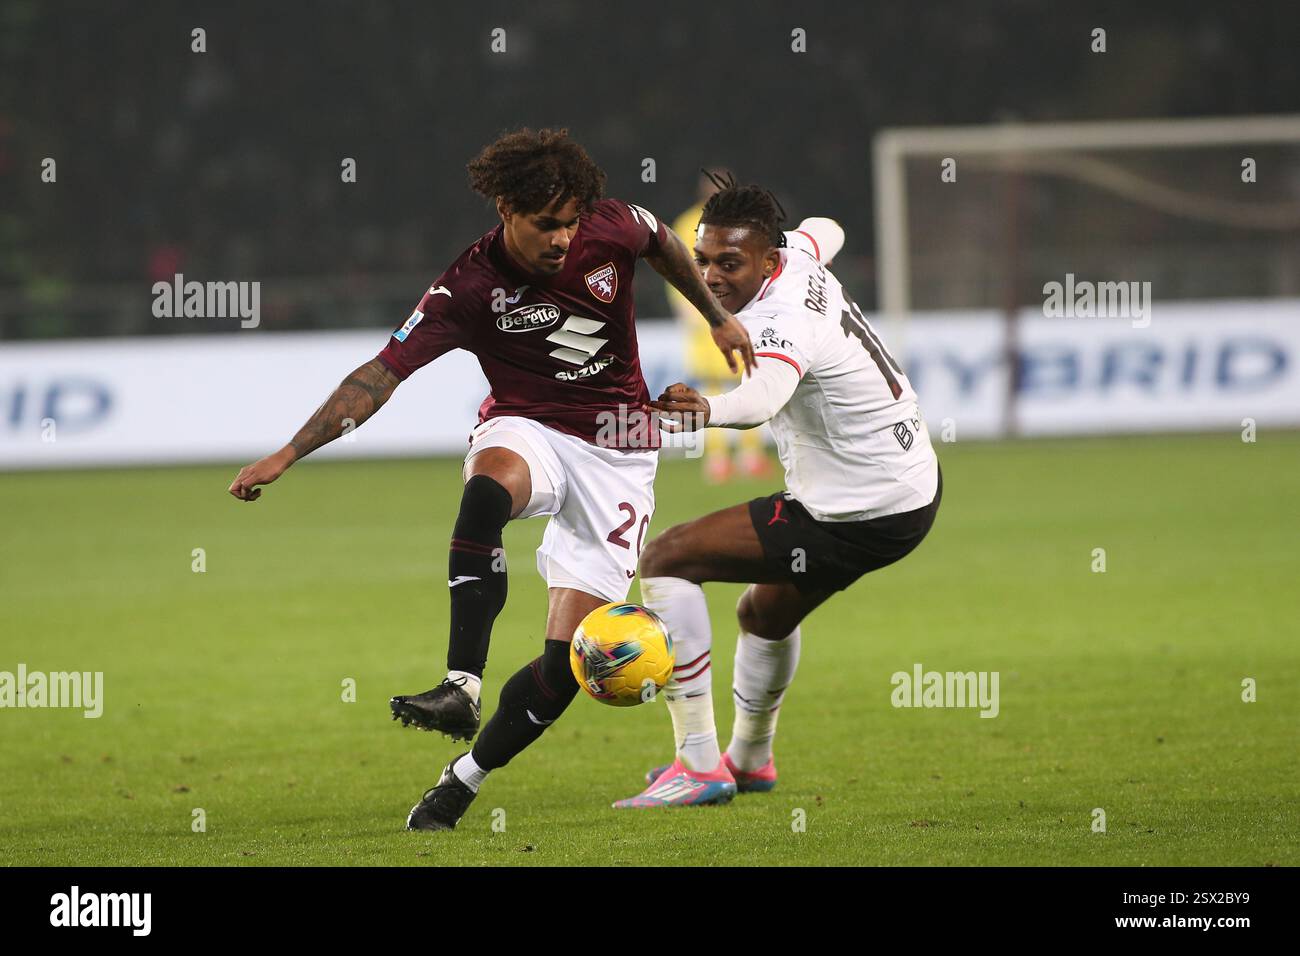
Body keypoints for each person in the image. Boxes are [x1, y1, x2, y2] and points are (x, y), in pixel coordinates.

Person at [227, 128, 755, 830]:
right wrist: (289, 453)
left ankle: (461, 780)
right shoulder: (468, 285)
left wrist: (717, 317)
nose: (564, 239)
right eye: (546, 225)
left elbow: (662, 242)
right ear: (505, 207)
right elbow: (383, 374)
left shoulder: (613, 225)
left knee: (568, 663)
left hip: (619, 449)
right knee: (486, 491)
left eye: (570, 223)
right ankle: (461, 684)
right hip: (527, 424)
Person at [612, 179, 941, 808]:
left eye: (728, 264)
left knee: (666, 559)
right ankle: (752, 761)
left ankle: (700, 765)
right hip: (906, 491)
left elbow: (762, 400)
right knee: (763, 613)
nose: (710, 277)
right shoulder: (796, 252)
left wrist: (703, 410)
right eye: (703, 259)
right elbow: (828, 223)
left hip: (856, 510)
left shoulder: (779, 318)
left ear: (768, 261)